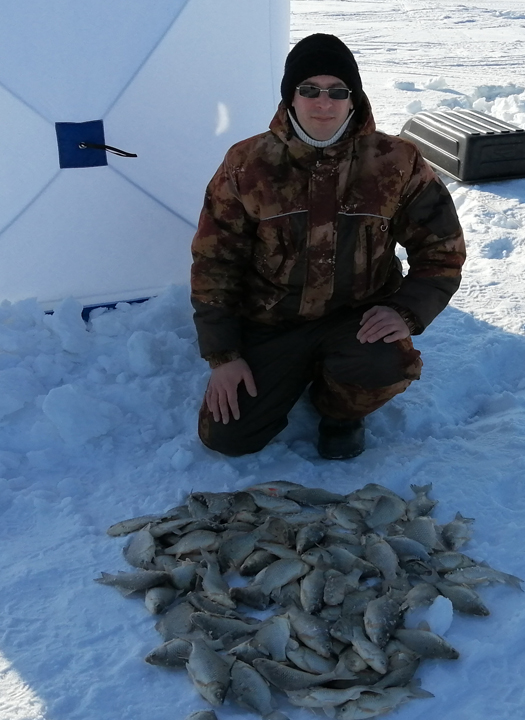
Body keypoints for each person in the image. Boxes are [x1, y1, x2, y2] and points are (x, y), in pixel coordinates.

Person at [190, 33, 465, 460]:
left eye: (338, 91)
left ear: (353, 99)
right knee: (227, 437)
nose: (324, 102)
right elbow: (215, 262)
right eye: (310, 89)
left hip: (356, 321)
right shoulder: (247, 164)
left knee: (384, 363)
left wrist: (405, 310)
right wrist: (223, 355)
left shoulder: (398, 162)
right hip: (271, 323)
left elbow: (442, 250)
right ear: (290, 97)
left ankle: (339, 411)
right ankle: (293, 370)